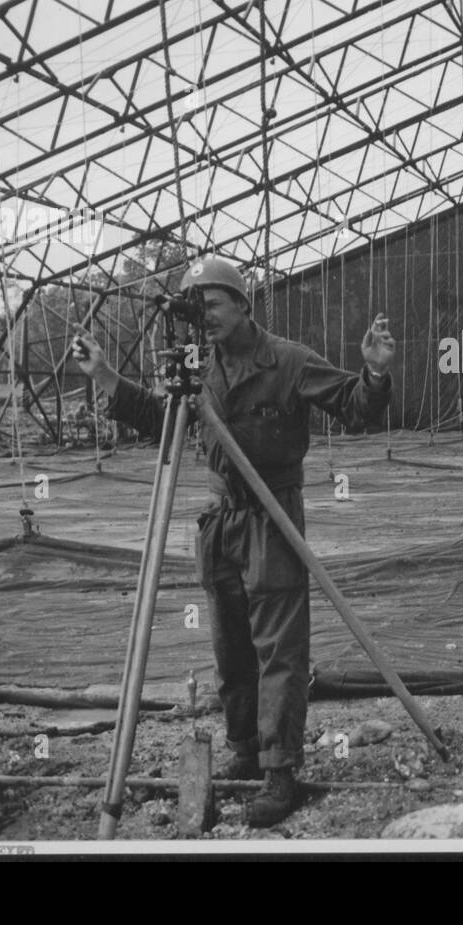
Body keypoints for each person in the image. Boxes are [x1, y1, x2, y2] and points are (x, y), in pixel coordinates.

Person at [73, 257, 394, 827]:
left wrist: (371, 373)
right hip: (222, 522)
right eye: (198, 308)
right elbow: (159, 415)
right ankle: (245, 747)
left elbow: (354, 408)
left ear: (244, 304)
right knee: (231, 650)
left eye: (213, 304)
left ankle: (280, 770)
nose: (206, 318)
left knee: (279, 650)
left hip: (272, 515)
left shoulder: (288, 360)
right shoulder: (201, 369)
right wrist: (103, 375)